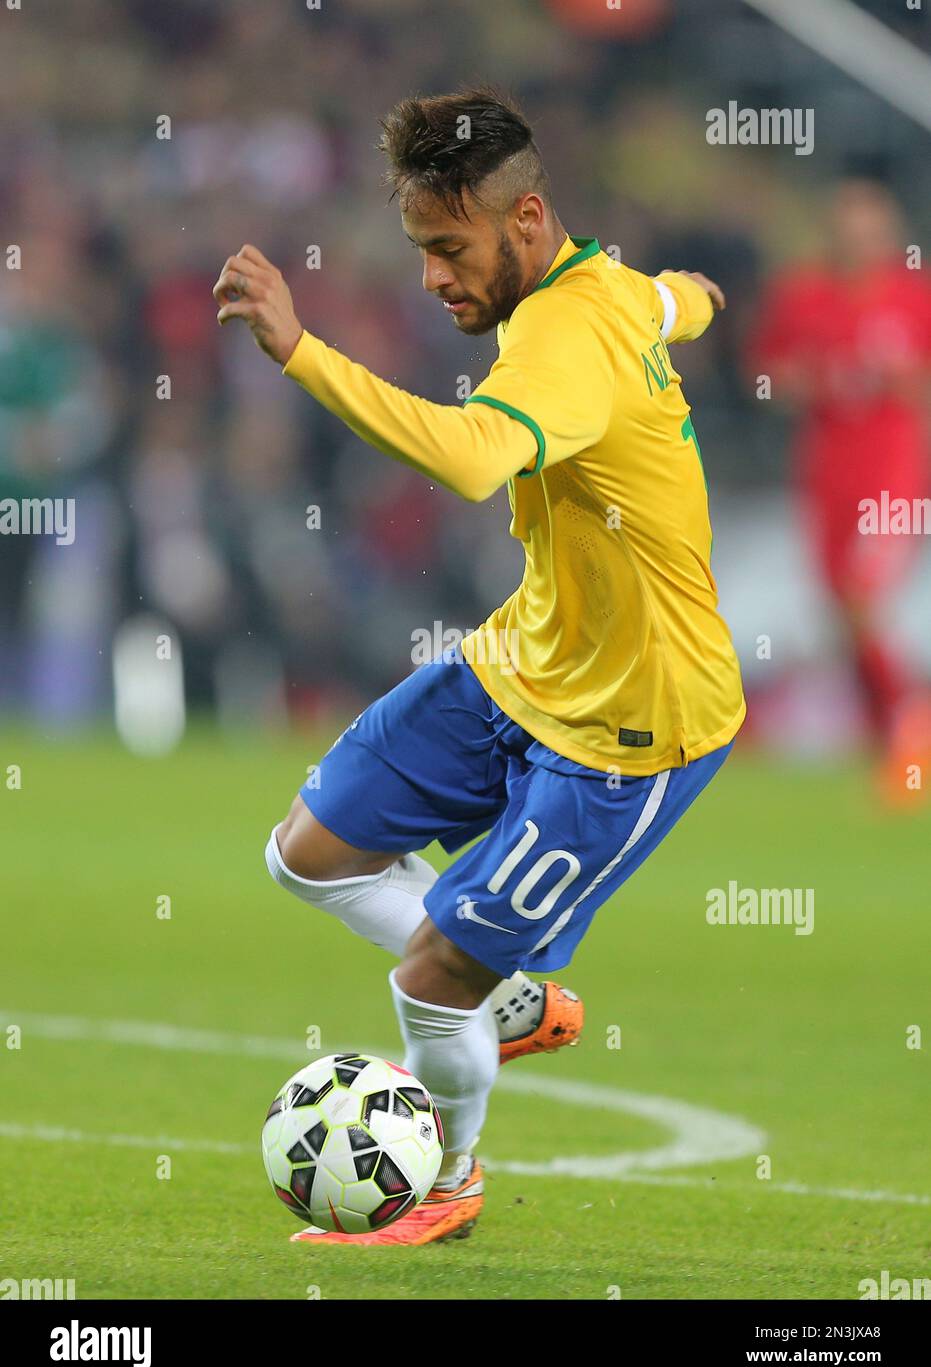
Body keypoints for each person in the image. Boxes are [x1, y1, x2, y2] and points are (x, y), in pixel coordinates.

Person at [213, 86, 745, 1245]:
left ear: (524, 219)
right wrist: (696, 301)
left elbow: (470, 458)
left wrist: (300, 351)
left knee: (427, 977)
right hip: (527, 658)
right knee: (307, 853)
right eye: (418, 250)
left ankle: (446, 1182)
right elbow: (669, 303)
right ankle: (505, 996)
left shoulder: (563, 330)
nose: (431, 278)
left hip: (633, 721)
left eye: (446, 250)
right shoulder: (599, 287)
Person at [750, 179, 931, 803]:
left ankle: (911, 728)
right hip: (826, 472)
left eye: (870, 230)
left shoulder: (915, 297)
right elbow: (765, 374)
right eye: (848, 229)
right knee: (839, 610)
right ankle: (890, 744)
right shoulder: (804, 296)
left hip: (892, 475)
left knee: (860, 597)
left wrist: (905, 384)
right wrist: (803, 379)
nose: (859, 241)